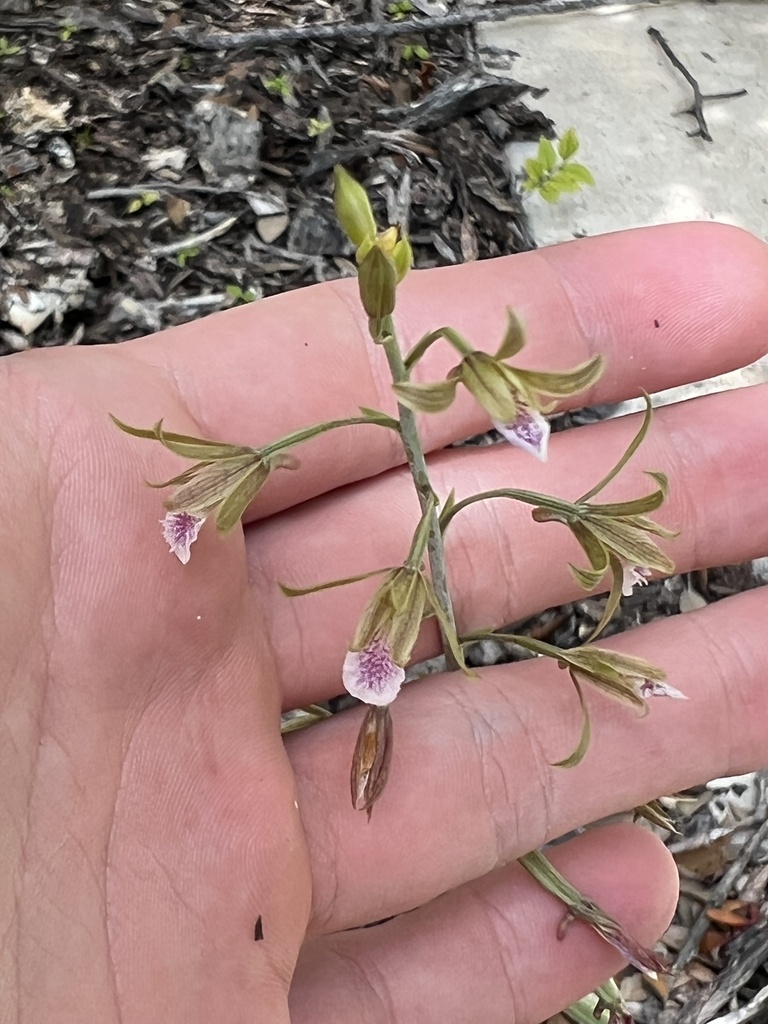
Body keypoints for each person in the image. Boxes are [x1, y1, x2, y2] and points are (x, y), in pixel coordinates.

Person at [2, 221, 767, 1023]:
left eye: (511, 408)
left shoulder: (450, 388)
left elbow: (427, 456)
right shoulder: (409, 416)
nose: (516, 418)